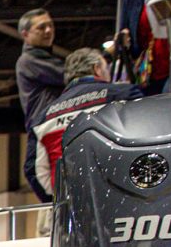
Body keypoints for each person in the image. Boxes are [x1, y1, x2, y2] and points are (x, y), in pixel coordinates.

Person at [33, 48, 143, 195]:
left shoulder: (43, 117)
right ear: (96, 68)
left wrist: (59, 196)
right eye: (106, 68)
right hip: (119, 192)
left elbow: (35, 171)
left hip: (68, 200)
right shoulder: (124, 94)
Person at [15, 8, 63, 201]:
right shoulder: (29, 61)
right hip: (43, 126)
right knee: (33, 169)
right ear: (25, 34)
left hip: (50, 127)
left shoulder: (43, 58)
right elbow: (66, 74)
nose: (48, 31)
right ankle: (55, 204)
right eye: (41, 27)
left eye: (50, 25)